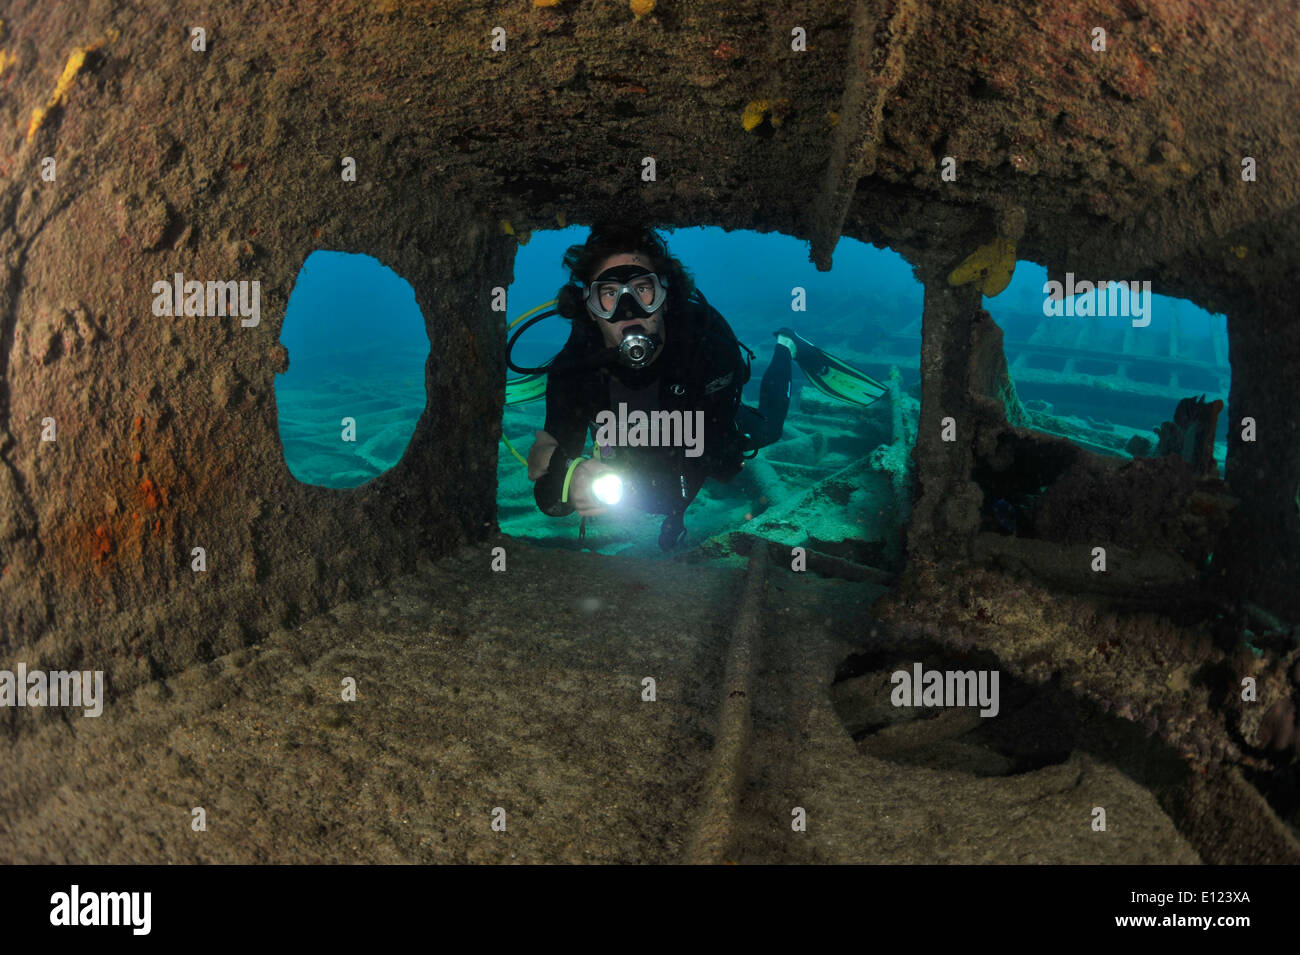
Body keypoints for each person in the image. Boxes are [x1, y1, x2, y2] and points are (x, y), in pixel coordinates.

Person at [526, 223, 885, 550]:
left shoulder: (707, 349)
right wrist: (572, 474)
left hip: (704, 424)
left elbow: (718, 437)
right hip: (636, 441)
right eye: (609, 294)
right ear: (589, 309)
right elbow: (546, 464)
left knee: (768, 430)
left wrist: (708, 460)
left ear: (665, 297)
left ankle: (786, 345)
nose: (628, 308)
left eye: (642, 290)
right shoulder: (575, 369)